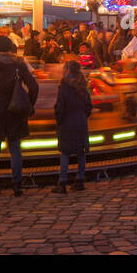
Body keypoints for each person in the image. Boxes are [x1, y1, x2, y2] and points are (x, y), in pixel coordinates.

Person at [0, 35, 39, 197]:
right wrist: (29, 105)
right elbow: (34, 86)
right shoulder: (18, 64)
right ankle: (17, 185)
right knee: (15, 148)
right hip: (15, 111)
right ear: (10, 48)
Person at [53, 61, 93, 193]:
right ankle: (80, 179)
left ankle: (62, 181)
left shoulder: (64, 86)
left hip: (67, 121)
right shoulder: (83, 85)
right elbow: (89, 105)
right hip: (81, 121)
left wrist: (59, 120)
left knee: (65, 152)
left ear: (68, 71)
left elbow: (60, 106)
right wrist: (83, 116)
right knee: (80, 151)